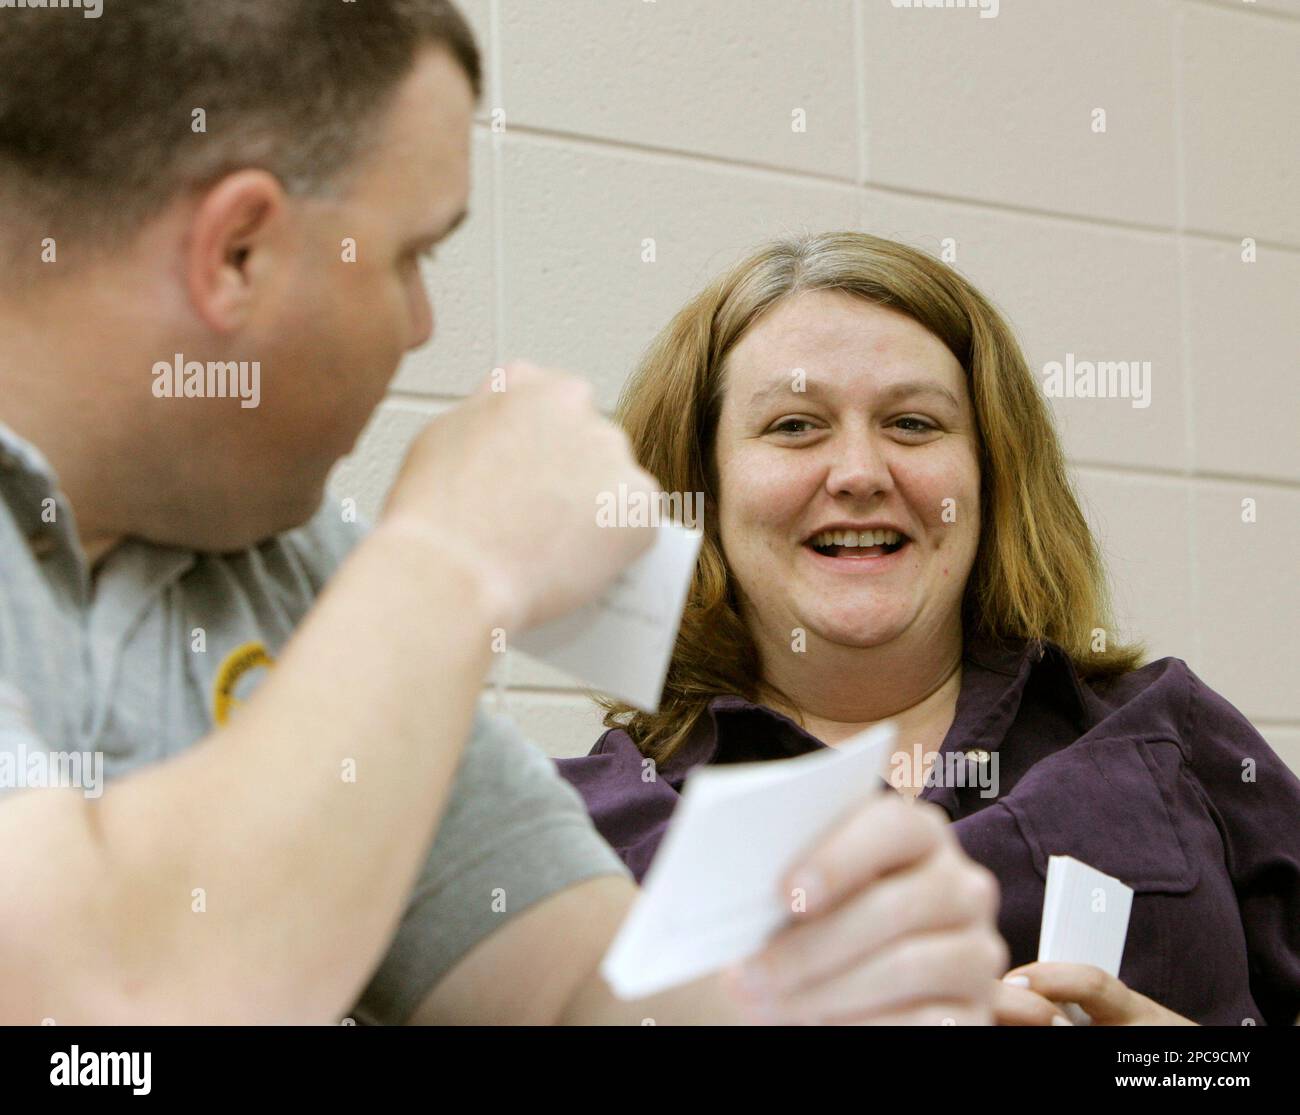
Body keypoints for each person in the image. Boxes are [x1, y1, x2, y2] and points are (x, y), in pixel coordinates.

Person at [0, 3, 1006, 1025]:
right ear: (237, 254)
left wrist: (808, 989)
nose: (422, 325)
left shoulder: (288, 569)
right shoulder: (405, 580)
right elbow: (86, 1016)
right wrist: (452, 556)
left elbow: (576, 992)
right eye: (409, 257)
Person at [558, 230, 1300, 1027]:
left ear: (992, 471)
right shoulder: (586, 831)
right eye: (794, 426)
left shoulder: (1166, 734)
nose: (859, 474)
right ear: (700, 484)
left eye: (913, 423)